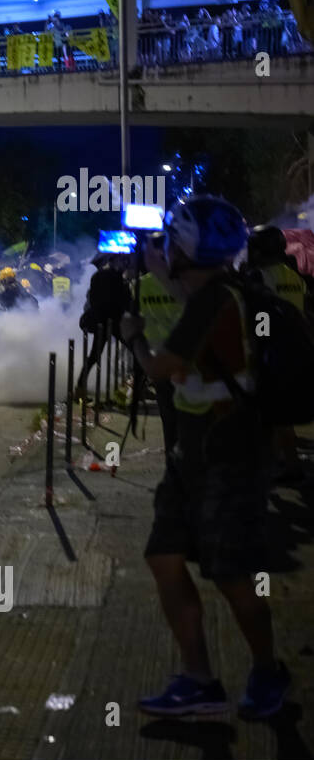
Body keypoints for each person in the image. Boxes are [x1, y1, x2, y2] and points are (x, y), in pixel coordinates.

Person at [121, 195, 289, 720]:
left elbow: (160, 368)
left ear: (187, 248)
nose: (166, 248)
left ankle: (267, 671)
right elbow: (193, 311)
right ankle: (199, 681)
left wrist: (134, 339)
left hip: (227, 458)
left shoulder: (212, 303)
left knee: (233, 574)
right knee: (164, 556)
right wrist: (159, 271)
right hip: (195, 455)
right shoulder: (225, 292)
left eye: (172, 241)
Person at [244, 224, 307, 482]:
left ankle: (285, 466)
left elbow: (261, 317)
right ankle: (286, 463)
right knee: (281, 412)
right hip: (294, 347)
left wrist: (258, 347)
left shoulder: (259, 277)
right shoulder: (294, 277)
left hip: (271, 351)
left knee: (271, 414)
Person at [136, 233, 184, 455]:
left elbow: (135, 321)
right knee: (187, 413)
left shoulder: (140, 285)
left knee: (168, 413)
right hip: (184, 356)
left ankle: (172, 459)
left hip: (157, 357)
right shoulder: (184, 282)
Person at [77, 255, 131, 396]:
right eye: (122, 261)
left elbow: (92, 299)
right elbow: (124, 301)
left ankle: (79, 387)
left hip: (101, 321)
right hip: (113, 321)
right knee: (135, 349)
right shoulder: (117, 278)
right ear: (113, 261)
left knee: (94, 356)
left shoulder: (97, 276)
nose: (124, 264)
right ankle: (135, 387)